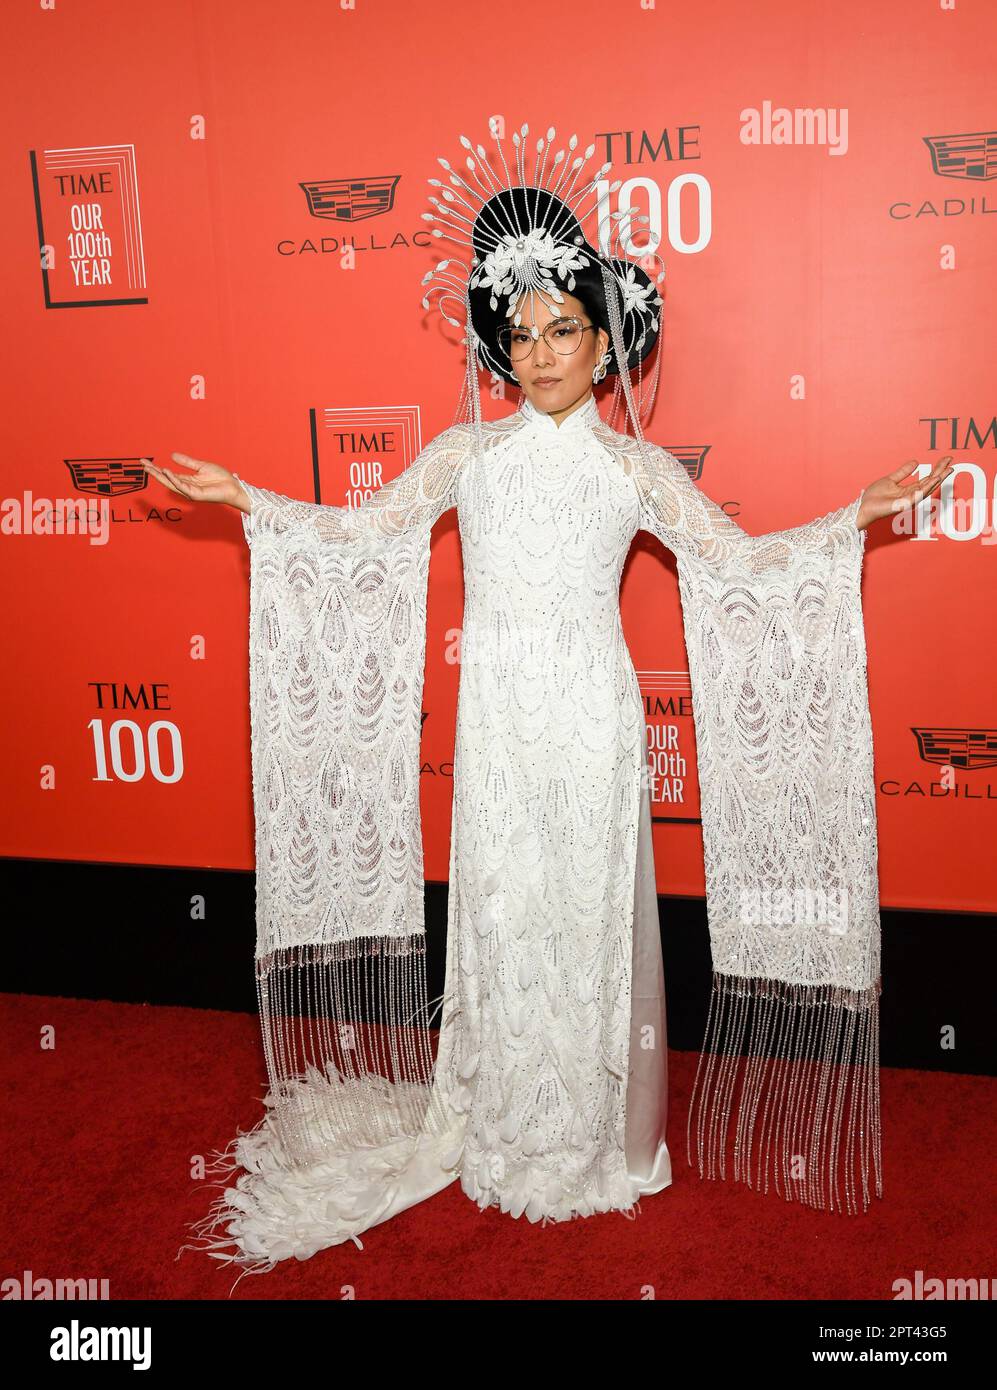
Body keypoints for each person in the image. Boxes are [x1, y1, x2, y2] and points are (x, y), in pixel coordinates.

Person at [151, 122, 951, 1284]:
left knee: (586, 915)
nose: (538, 354)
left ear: (601, 336)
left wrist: (854, 515)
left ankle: (588, 1136)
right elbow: (360, 536)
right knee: (499, 908)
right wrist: (253, 502)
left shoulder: (636, 470)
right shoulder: (462, 454)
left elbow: (737, 568)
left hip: (590, 713)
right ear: (498, 342)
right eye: (518, 334)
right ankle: (496, 1118)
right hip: (498, 718)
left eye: (561, 330)